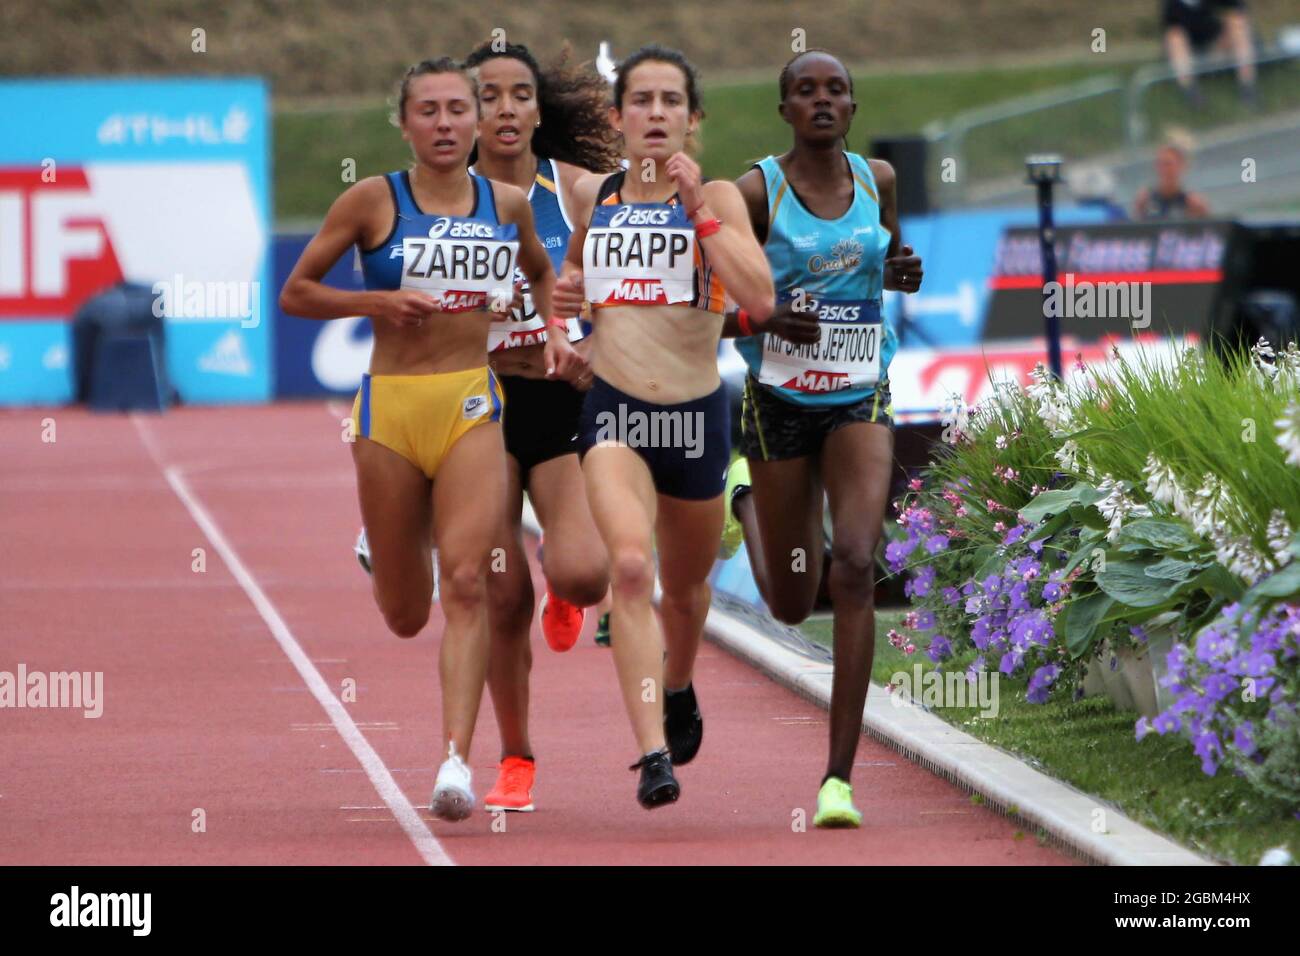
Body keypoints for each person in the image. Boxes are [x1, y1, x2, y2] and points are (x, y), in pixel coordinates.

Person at [279, 57, 579, 821]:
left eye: (458, 110)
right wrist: (377, 299)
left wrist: (547, 330)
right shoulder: (371, 200)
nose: (446, 124)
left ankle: (454, 759)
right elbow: (297, 291)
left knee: (472, 583)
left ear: (476, 122)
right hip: (390, 413)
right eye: (429, 111)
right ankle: (388, 550)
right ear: (405, 123)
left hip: (473, 403)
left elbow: (542, 271)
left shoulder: (505, 204)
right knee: (407, 613)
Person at [553, 45, 774, 808]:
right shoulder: (597, 197)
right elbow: (567, 292)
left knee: (684, 593)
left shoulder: (716, 195)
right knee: (629, 569)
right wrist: (565, 328)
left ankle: (677, 684)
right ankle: (652, 753)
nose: (654, 113)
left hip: (695, 419)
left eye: (669, 101)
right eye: (639, 100)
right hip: (614, 409)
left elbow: (761, 297)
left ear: (692, 118)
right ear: (616, 118)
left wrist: (700, 213)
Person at [721, 49, 923, 828]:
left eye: (835, 89)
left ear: (853, 104)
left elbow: (890, 259)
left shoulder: (878, 181)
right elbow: (707, 299)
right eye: (805, 91)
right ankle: (744, 498)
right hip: (776, 401)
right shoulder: (755, 193)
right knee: (789, 598)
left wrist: (902, 270)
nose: (822, 101)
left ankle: (838, 779)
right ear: (785, 112)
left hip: (858, 392)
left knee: (855, 565)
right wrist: (760, 317)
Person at [462, 39, 619, 812]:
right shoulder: (438, 206)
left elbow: (637, 289)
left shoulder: (580, 194)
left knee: (586, 573)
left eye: (519, 95)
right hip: (479, 411)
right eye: (487, 97)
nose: (506, 110)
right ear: (466, 112)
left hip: (562, 403)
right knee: (500, 596)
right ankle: (516, 758)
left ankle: (567, 584)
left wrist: (598, 342)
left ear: (538, 107)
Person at [1161, 0, 1257, 107]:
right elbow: (1169, 22)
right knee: (1174, 36)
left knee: (1236, 21)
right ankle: (1190, 91)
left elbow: (1237, 6)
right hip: (1188, 54)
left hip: (1214, 48)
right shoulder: (1171, 4)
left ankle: (1247, 86)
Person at [1133, 130, 1211, 220]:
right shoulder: (1145, 200)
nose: (1164, 170)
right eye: (1160, 164)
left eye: (1168, 164)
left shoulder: (1194, 203)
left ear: (1182, 166)